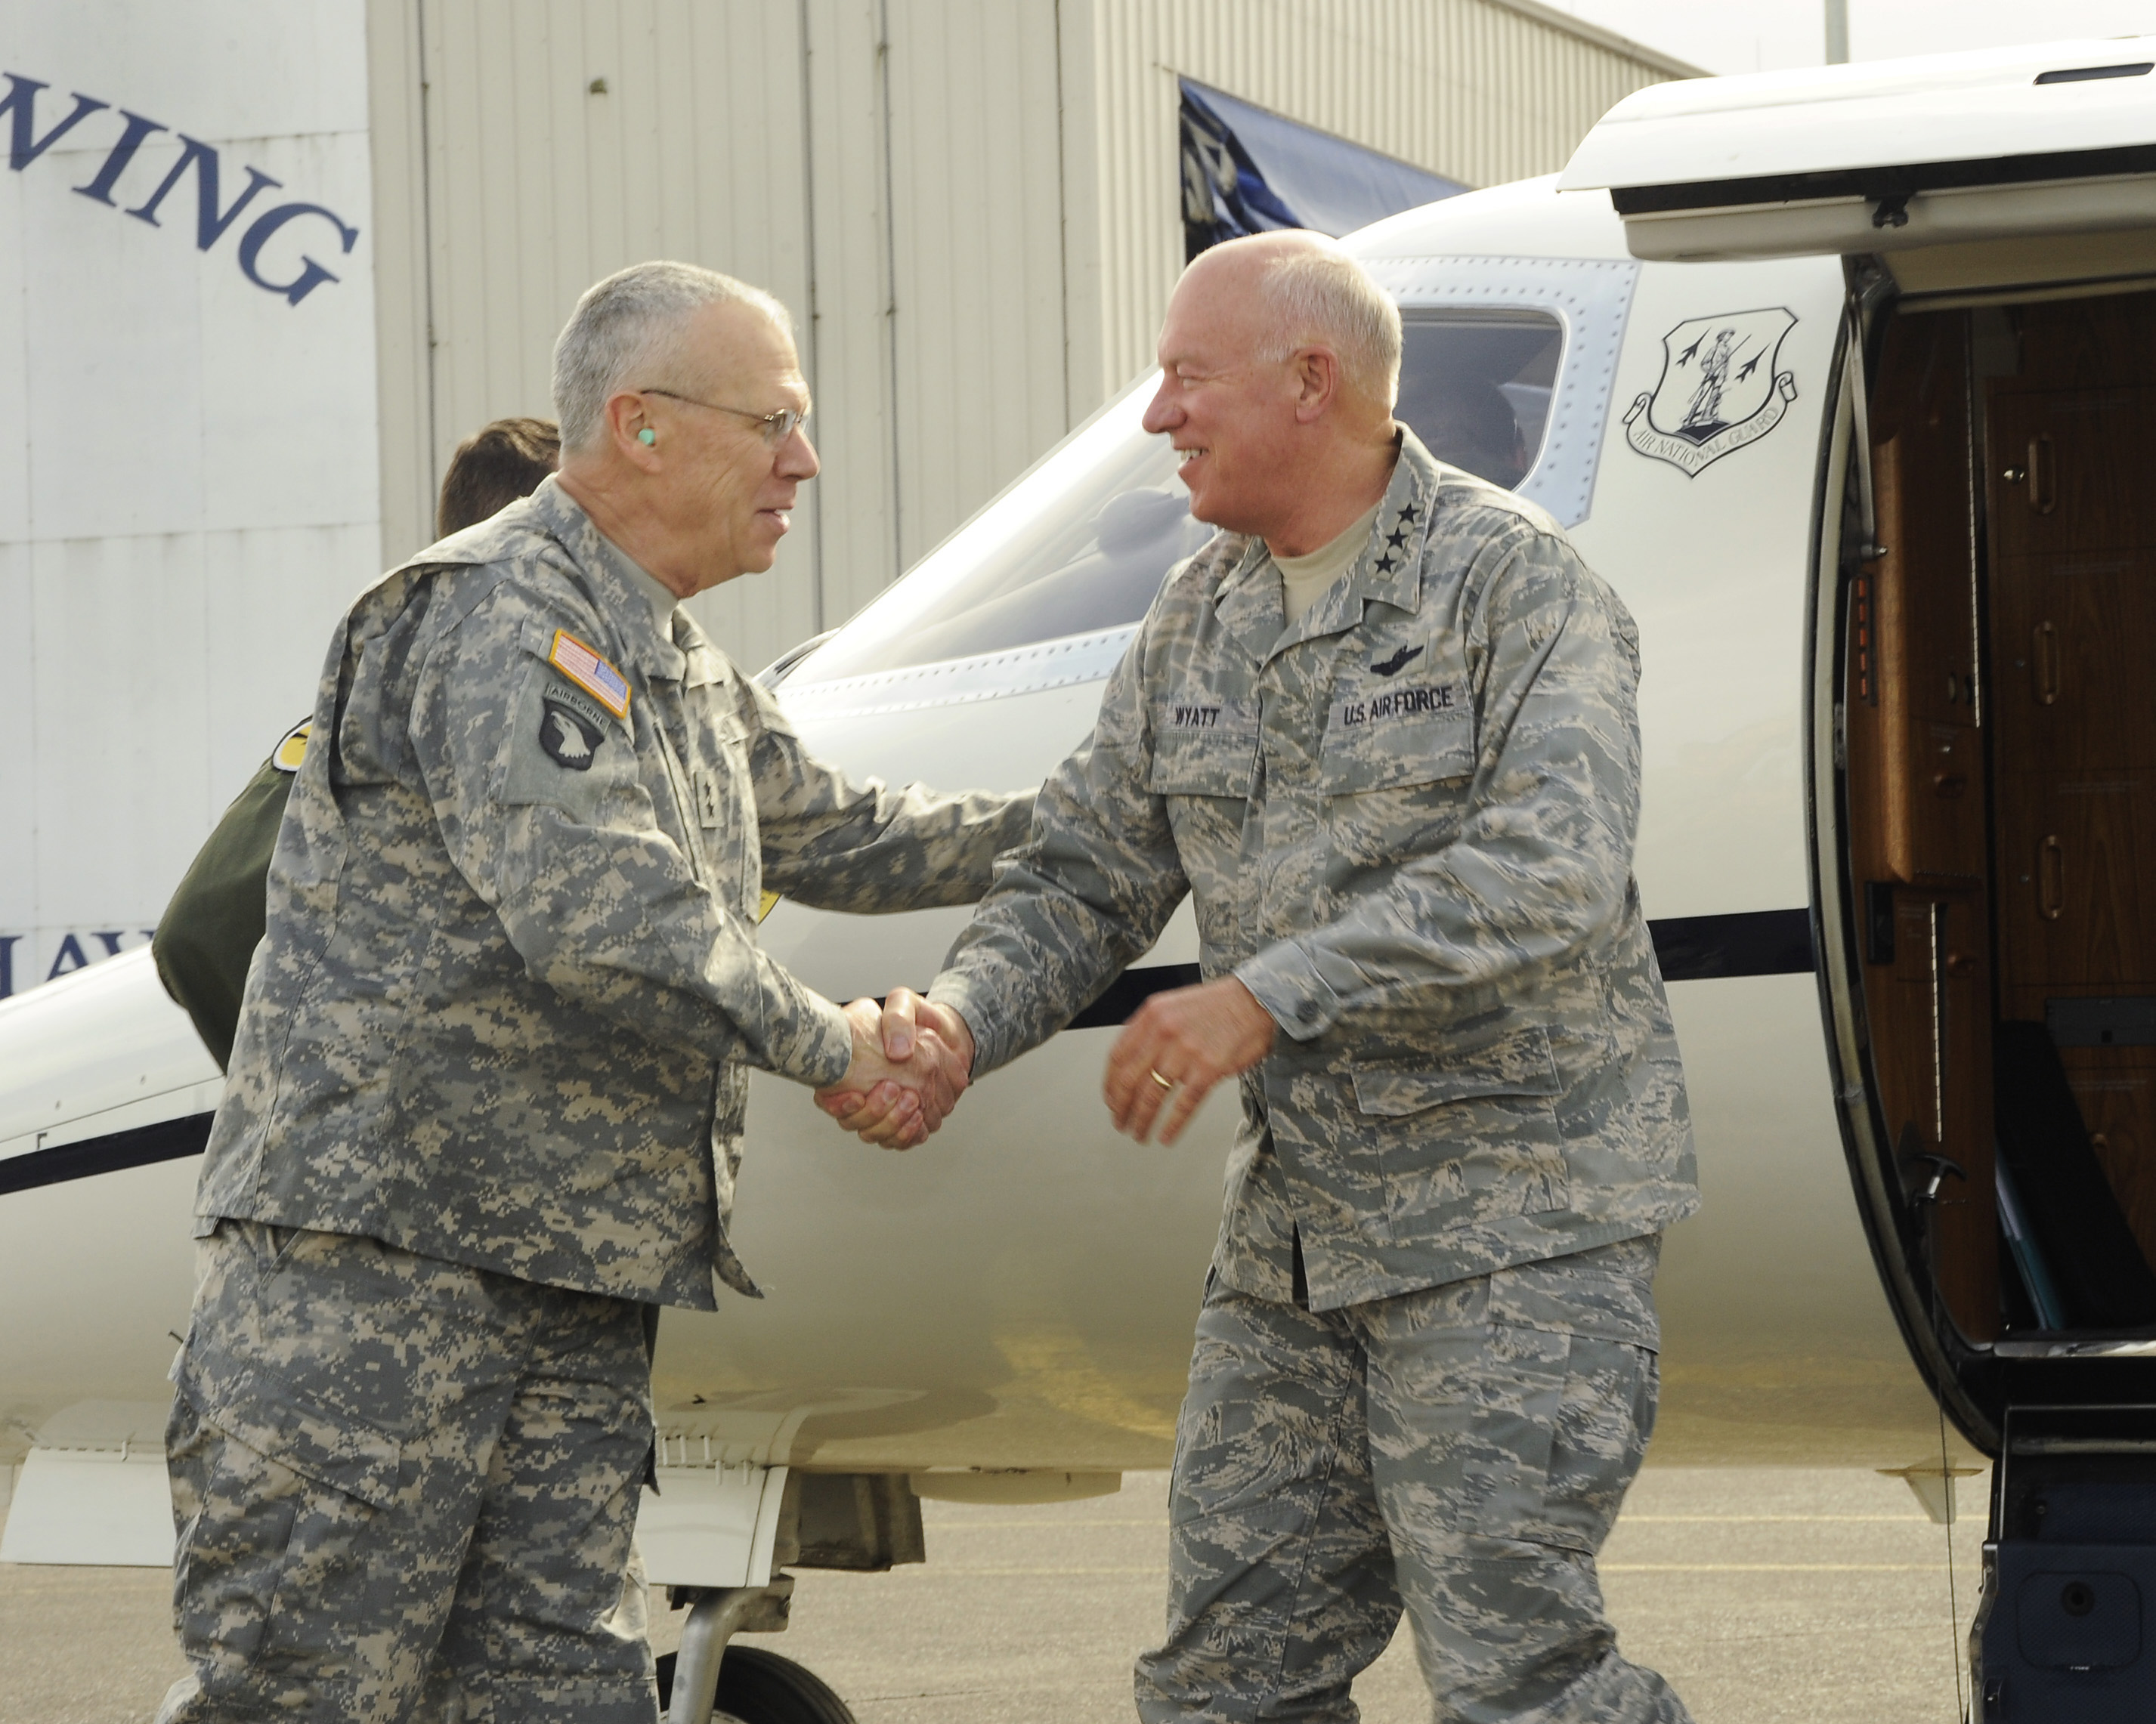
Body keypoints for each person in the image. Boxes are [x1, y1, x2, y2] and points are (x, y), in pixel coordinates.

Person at [824, 231, 1699, 1721]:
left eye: (1182, 378)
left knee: (1517, 1678)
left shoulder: (1517, 588)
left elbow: (1548, 866)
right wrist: (961, 1024)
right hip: (1296, 1247)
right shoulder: (1196, 618)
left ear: (1313, 380)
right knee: (1227, 1678)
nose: (1158, 417)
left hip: (1507, 1228)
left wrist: (1269, 987)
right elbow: (1084, 873)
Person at [157, 261, 1029, 1723]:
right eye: (776, 422)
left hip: (570, 1286)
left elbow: (846, 827)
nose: (801, 461)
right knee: (305, 1690)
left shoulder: (668, 653)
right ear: (640, 424)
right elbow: (602, 914)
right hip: (388, 1278)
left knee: (554, 1690)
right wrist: (837, 1047)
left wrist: (1120, 820)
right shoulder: (496, 611)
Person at [153, 416, 564, 1070]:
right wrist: (328, 1092)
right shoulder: (471, 706)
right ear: (526, 548)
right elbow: (201, 929)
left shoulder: (383, 679)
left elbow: (199, 927)